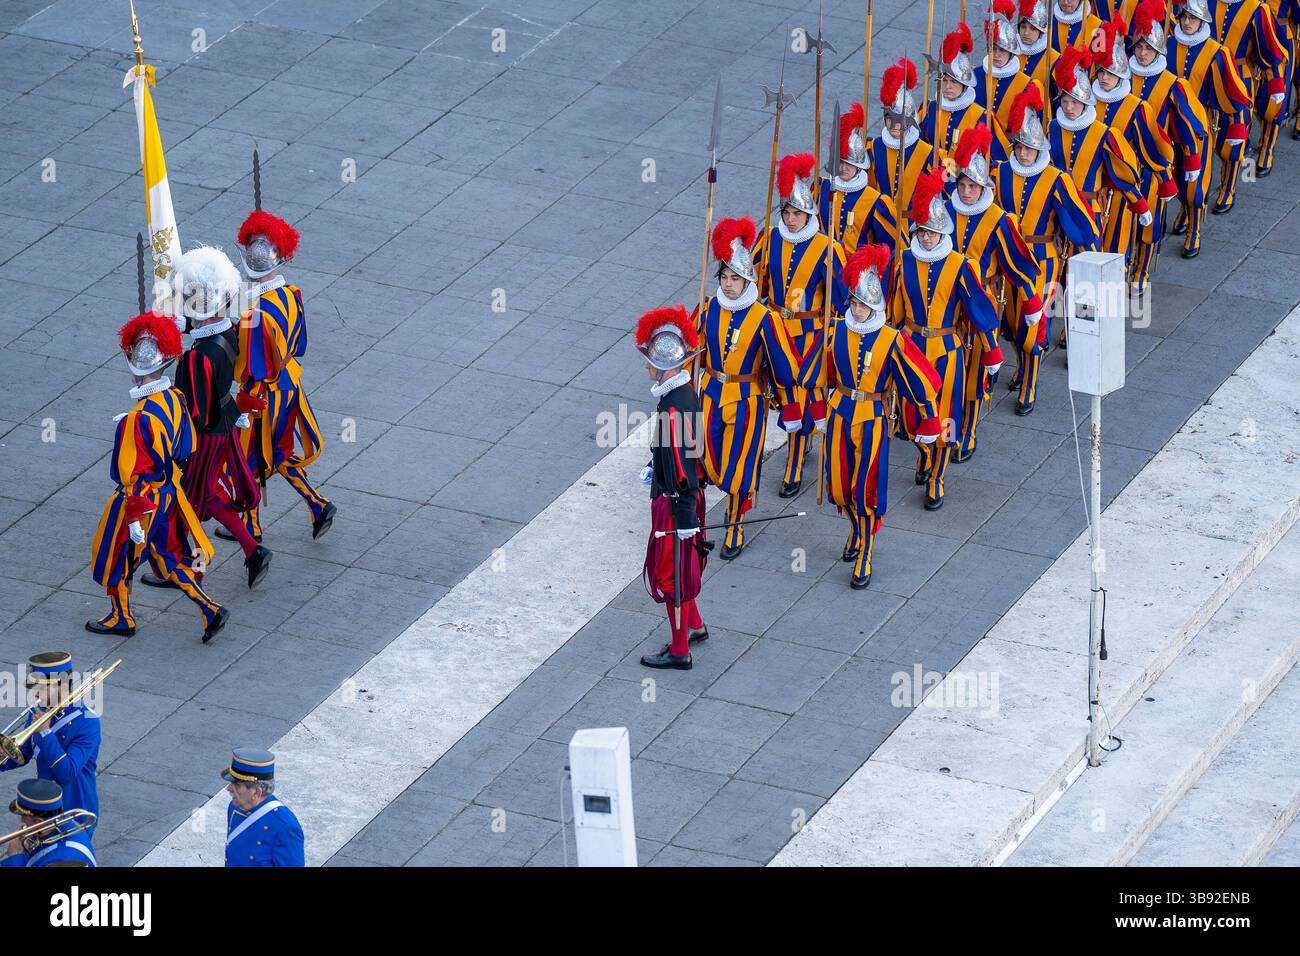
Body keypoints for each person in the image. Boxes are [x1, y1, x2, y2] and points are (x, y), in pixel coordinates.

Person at [802, 244, 941, 587]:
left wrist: (928, 418)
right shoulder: (834, 330)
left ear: (876, 303)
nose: (858, 309)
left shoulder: (892, 339)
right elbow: (814, 375)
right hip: (839, 414)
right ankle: (854, 529)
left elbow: (920, 380)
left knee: (865, 488)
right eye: (854, 301)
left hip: (873, 419)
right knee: (838, 488)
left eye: (865, 304)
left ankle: (865, 549)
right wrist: (819, 411)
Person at [86, 312, 224, 641]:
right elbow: (185, 444)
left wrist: (134, 517)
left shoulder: (136, 420)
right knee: (168, 555)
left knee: (115, 555)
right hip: (168, 495)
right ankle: (209, 608)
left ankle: (121, 617)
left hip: (142, 500)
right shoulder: (174, 398)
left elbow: (130, 474)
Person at [144, 247, 271, 598]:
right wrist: (171, 322)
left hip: (203, 436)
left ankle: (188, 569)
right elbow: (202, 324)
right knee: (209, 496)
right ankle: (251, 548)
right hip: (224, 423)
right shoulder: (227, 330)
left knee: (188, 503)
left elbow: (193, 411)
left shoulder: (197, 357)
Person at [889, 168, 1001, 510]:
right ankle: (926, 452)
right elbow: (893, 309)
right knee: (911, 417)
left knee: (946, 416)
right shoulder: (903, 260)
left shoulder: (959, 265)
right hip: (911, 349)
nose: (926, 238)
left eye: (932, 232)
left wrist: (992, 350)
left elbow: (979, 309)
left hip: (946, 351)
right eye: (922, 231)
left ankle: (937, 475)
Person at [692, 217, 802, 559]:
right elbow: (693, 351)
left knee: (739, 465)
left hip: (746, 400)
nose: (727, 284)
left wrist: (790, 404)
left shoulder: (764, 317)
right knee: (706, 459)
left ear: (747, 279)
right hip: (710, 393)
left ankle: (735, 523)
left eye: (734, 278)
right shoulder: (708, 307)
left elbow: (784, 365)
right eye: (723, 277)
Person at [231, 210, 336, 545]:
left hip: (262, 392)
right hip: (291, 382)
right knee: (276, 451)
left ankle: (252, 525)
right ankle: (316, 504)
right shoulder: (292, 295)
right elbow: (300, 344)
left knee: (249, 457)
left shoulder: (255, 314)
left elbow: (252, 367)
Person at [994, 84, 1099, 413]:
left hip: (1043, 260)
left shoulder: (1056, 178)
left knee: (1033, 322)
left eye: (1029, 147)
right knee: (1011, 323)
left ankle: (1029, 382)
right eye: (1019, 146)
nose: (1023, 153)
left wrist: (1091, 253)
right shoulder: (1000, 172)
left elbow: (1078, 217)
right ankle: (1023, 366)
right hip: (1009, 257)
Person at [751, 153, 847, 499]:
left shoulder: (826, 246)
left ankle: (807, 457)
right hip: (778, 328)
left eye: (798, 213)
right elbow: (754, 277)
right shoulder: (771, 237)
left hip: (812, 333)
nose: (791, 219)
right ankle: (796, 451)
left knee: (811, 393)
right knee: (787, 394)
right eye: (787, 212)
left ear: (810, 213)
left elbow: (841, 298)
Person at [946, 125, 1042, 461]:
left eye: (973, 185)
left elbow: (1018, 263)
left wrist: (1031, 300)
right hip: (944, 307)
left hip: (979, 303)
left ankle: (968, 431)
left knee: (973, 373)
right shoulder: (944, 210)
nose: (967, 191)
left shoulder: (998, 219)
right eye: (962, 184)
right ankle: (944, 433)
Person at [636, 306, 710, 670]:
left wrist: (684, 519)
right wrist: (655, 464)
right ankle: (694, 626)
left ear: (665, 367)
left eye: (650, 361)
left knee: (672, 578)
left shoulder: (671, 410)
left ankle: (681, 650)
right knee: (682, 569)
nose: (646, 366)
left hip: (675, 504)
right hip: (681, 499)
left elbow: (682, 469)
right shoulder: (682, 396)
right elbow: (687, 452)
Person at [1091, 17, 1177, 289]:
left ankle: (1138, 271)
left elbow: (1151, 146)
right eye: (1101, 72)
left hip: (1127, 183)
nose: (1104, 78)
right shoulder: (1087, 102)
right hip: (1094, 186)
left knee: (1123, 239)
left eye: (1109, 73)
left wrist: (1164, 177)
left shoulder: (1136, 107)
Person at [1127, 0, 1209, 270]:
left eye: (1148, 48)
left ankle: (1144, 270)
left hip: (1156, 162)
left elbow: (1185, 123)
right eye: (1138, 46)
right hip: (1124, 161)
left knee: (1157, 216)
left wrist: (1192, 157)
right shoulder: (1123, 77)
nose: (1142, 53)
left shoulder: (1172, 84)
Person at [1166, 0, 1252, 253]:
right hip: (1168, 124)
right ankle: (1183, 208)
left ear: (1203, 20)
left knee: (1196, 179)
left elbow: (1232, 91)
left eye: (1193, 18)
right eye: (1184, 17)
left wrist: (1236, 126)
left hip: (1198, 126)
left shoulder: (1216, 51)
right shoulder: (1169, 43)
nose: (1187, 22)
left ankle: (1195, 229)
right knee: (1176, 173)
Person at [0, 653, 100, 848]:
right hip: (43, 807)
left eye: (41, 688)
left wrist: (45, 732)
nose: (36, 694)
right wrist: (4, 757)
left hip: (73, 809)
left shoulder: (87, 722)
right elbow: (25, 752)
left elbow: (67, 772)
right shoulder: (40, 710)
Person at [1208, 0, 1288, 191]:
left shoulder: (1256, 7)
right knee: (1214, 137)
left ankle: (1232, 187)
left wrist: (1275, 81)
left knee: (1239, 132)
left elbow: (1269, 48)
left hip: (1241, 77)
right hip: (1210, 77)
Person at [819, 102, 900, 255]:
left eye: (848, 163)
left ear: (858, 166)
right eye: (840, 162)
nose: (843, 168)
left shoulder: (876, 200)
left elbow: (889, 246)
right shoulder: (821, 188)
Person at [923, 23, 1013, 160]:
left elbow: (997, 158)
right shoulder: (931, 107)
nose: (947, 86)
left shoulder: (980, 116)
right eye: (944, 80)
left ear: (964, 84)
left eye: (953, 82)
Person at [869, 58, 935, 218]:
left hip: (912, 226)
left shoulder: (927, 152)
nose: (894, 124)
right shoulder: (874, 146)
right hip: (881, 223)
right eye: (890, 118)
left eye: (901, 120)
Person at [222, 748, 304, 867]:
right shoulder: (235, 807)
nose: (229, 788)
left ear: (256, 792)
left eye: (237, 785)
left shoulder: (285, 826)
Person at [975, 0, 1037, 134]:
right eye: (993, 48)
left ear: (1011, 52)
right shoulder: (975, 75)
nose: (996, 55)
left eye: (1002, 50)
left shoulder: (1026, 84)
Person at [2, 780, 95, 868]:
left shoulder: (64, 860)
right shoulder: (59, 822)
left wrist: (14, 857)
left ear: (39, 822)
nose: (22, 820)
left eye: (23, 816)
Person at [1018, 0, 1060, 100]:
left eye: (1033, 28)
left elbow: (1056, 97)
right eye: (1023, 27)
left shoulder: (1053, 58)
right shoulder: (1010, 54)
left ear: (1041, 31)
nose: (1026, 33)